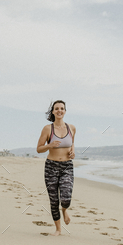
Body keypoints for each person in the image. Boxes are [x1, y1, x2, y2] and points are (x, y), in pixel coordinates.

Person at [36, 100, 76, 236]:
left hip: (67, 167)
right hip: (51, 167)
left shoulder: (72, 128)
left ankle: (64, 210)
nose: (59, 111)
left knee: (66, 198)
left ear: (65, 111)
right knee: (54, 200)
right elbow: (39, 149)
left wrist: (73, 152)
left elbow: (72, 144)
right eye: (57, 108)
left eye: (62, 108)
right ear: (53, 111)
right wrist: (49, 145)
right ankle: (58, 229)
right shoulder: (48, 129)